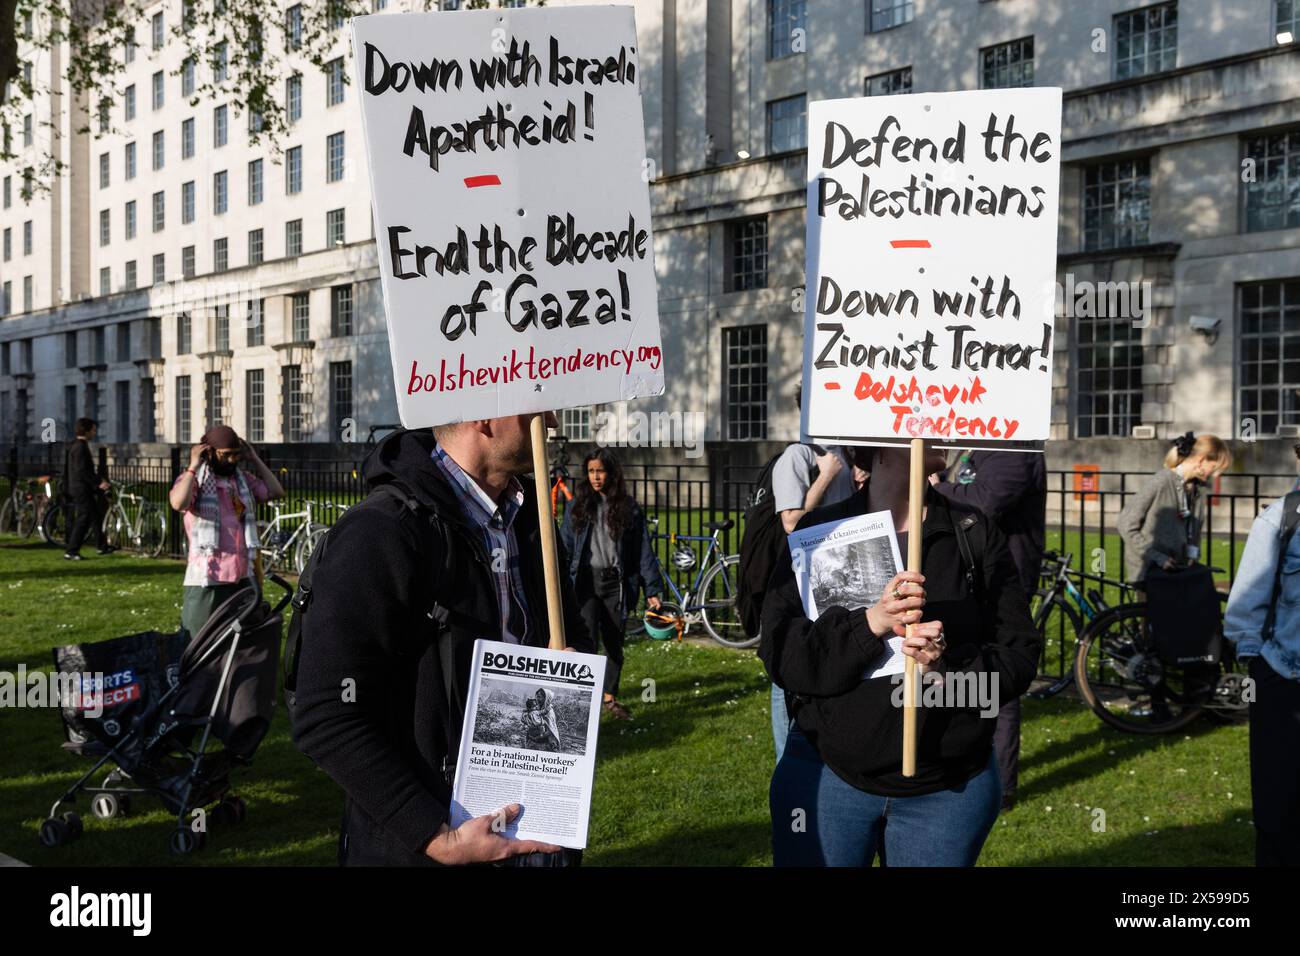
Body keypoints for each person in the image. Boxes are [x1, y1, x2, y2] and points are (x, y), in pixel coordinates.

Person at [291, 419, 595, 866]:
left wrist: (567, 674)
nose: (550, 422)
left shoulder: (529, 520)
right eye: (534, 405)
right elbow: (325, 712)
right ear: (483, 415)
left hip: (534, 835)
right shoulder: (380, 531)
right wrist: (436, 837)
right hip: (422, 850)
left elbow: (569, 641)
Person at [762, 445, 1040, 867]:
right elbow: (784, 657)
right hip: (829, 778)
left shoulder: (971, 532)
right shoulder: (819, 532)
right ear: (877, 448)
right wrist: (870, 623)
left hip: (947, 791)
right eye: (923, 420)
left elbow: (1018, 661)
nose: (942, 431)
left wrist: (945, 673)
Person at [930, 450, 1046, 811]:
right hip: (971, 572)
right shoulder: (975, 447)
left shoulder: (1014, 451)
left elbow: (986, 500)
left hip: (1001, 577)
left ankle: (1002, 787)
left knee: (997, 680)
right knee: (960, 674)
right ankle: (960, 766)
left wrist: (940, 487)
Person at [1223, 442, 1300, 867]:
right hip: (1284, 680)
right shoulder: (1279, 519)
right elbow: (1243, 612)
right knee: (1278, 812)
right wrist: (1263, 675)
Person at [767, 435, 857, 760]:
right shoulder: (797, 455)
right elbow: (791, 521)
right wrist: (826, 476)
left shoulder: (846, 454)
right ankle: (786, 758)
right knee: (791, 667)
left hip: (840, 573)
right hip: (805, 576)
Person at [559, 447, 664, 720]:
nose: (595, 477)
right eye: (591, 471)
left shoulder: (628, 508)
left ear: (612, 473)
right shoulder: (577, 506)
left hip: (616, 584)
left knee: (614, 643)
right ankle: (583, 699)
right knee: (587, 641)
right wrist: (559, 585)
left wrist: (652, 589)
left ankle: (609, 697)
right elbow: (565, 548)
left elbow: (643, 550)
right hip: (585, 584)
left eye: (600, 471)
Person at [168, 425, 284, 640]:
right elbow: (178, 502)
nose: (232, 460)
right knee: (198, 639)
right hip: (208, 576)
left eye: (236, 455)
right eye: (227, 455)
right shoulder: (196, 481)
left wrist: (255, 458)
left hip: (243, 573)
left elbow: (275, 491)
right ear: (209, 452)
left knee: (243, 639)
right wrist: (193, 466)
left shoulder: (241, 481)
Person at [1116, 431, 1232, 584]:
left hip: (1177, 571)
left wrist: (1192, 556)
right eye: (1215, 467)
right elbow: (1125, 524)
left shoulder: (1198, 489)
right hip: (1151, 572)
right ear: (1201, 460)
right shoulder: (1162, 481)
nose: (1216, 475)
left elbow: (1193, 531)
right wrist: (1158, 558)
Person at [62, 418, 112, 560]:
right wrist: (98, 483)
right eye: (93, 430)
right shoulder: (80, 447)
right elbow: (82, 470)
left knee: (95, 515)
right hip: (81, 488)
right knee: (84, 518)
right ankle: (71, 550)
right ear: (87, 430)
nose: (94, 433)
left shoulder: (76, 446)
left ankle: (101, 546)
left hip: (80, 486)